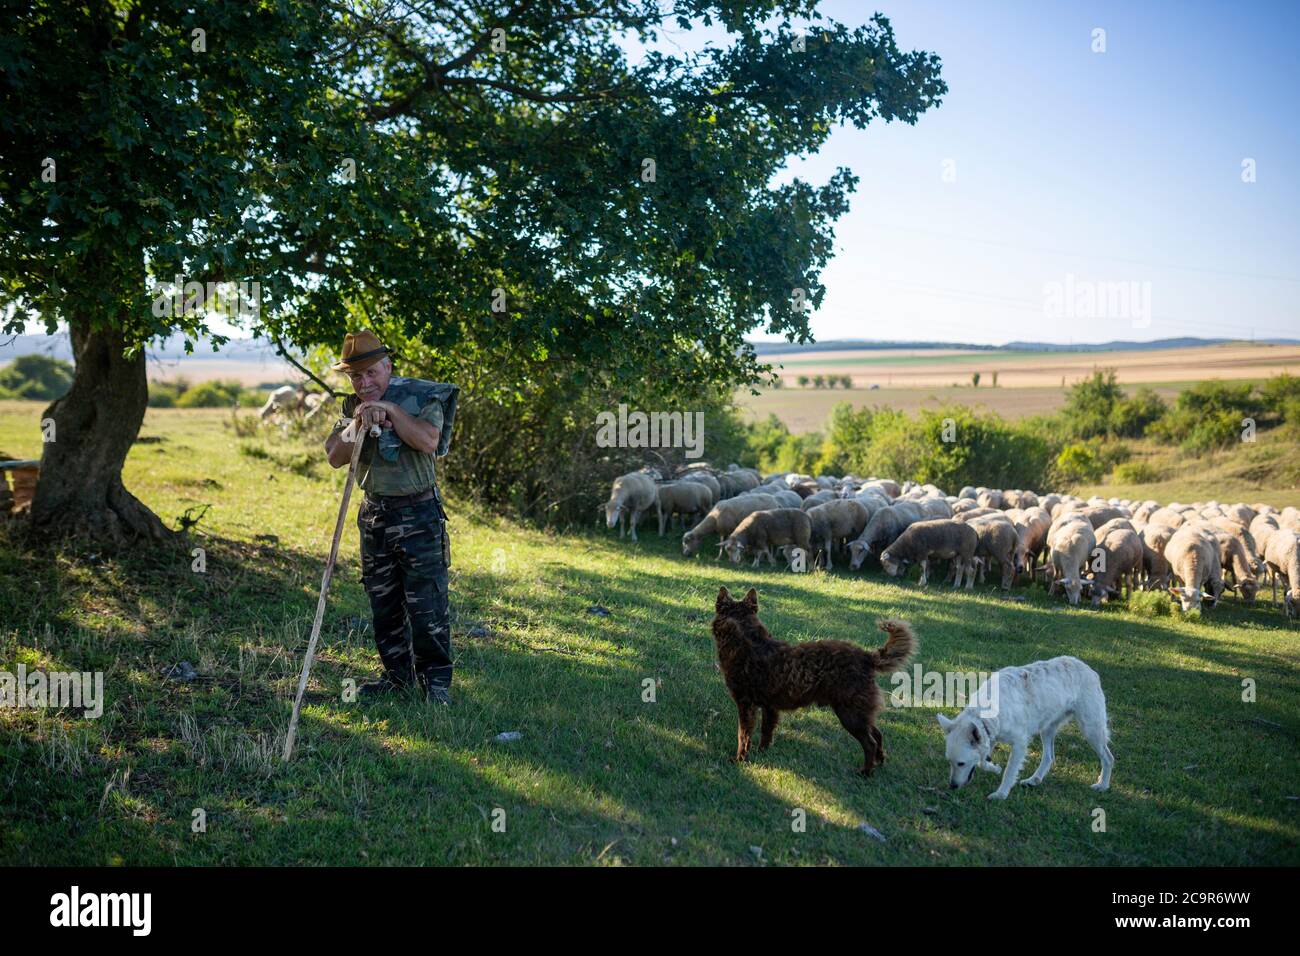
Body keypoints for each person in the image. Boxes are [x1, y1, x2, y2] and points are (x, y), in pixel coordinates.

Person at [324, 330, 460, 704]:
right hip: (375, 514)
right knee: (383, 603)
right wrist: (358, 422)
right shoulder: (352, 405)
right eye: (356, 376)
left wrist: (394, 412)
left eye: (371, 373)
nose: (364, 383)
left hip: (418, 513)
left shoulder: (422, 397)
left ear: (388, 366)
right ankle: (397, 678)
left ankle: (436, 686)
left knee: (427, 604)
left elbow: (429, 441)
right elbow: (335, 456)